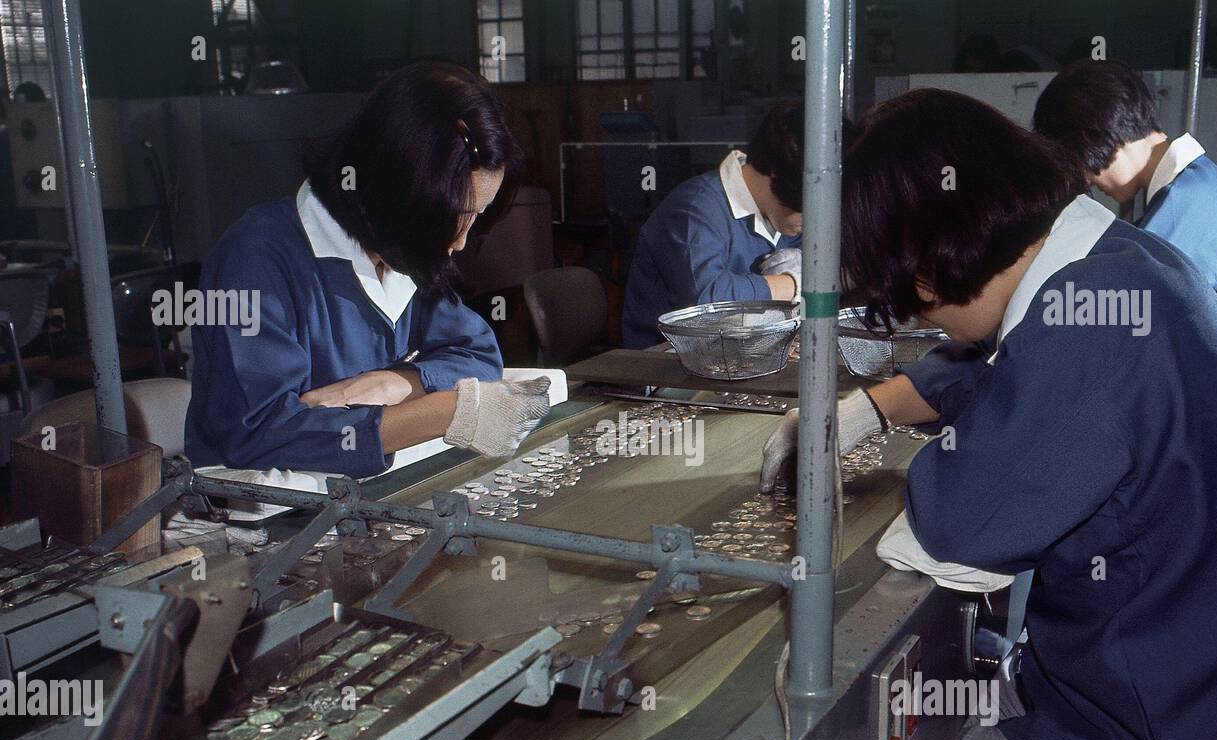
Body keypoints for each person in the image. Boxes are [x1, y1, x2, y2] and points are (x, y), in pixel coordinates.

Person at [764, 89, 1217, 740]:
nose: (930, 331)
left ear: (922, 275)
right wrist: (871, 408)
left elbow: (953, 532)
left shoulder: (1086, 330)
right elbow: (1007, 368)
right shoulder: (1120, 262)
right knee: (936, 711)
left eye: (919, 314)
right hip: (1198, 699)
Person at [185, 63, 551, 480]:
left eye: (476, 217)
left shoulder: (402, 252)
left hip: (362, 500)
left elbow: (478, 354)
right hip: (256, 519)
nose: (462, 242)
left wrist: (396, 383)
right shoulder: (254, 256)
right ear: (400, 193)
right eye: (456, 217)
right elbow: (259, 434)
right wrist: (445, 411)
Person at [1033, 59, 1217, 429]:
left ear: (1098, 141)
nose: (1088, 183)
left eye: (1081, 167)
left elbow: (1111, 326)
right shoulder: (1207, 181)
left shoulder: (1183, 206)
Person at [620, 103, 805, 349]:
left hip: (746, 355)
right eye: (807, 210)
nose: (811, 223)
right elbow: (706, 300)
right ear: (775, 174)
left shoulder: (781, 214)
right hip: (668, 365)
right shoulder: (695, 208)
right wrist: (793, 284)